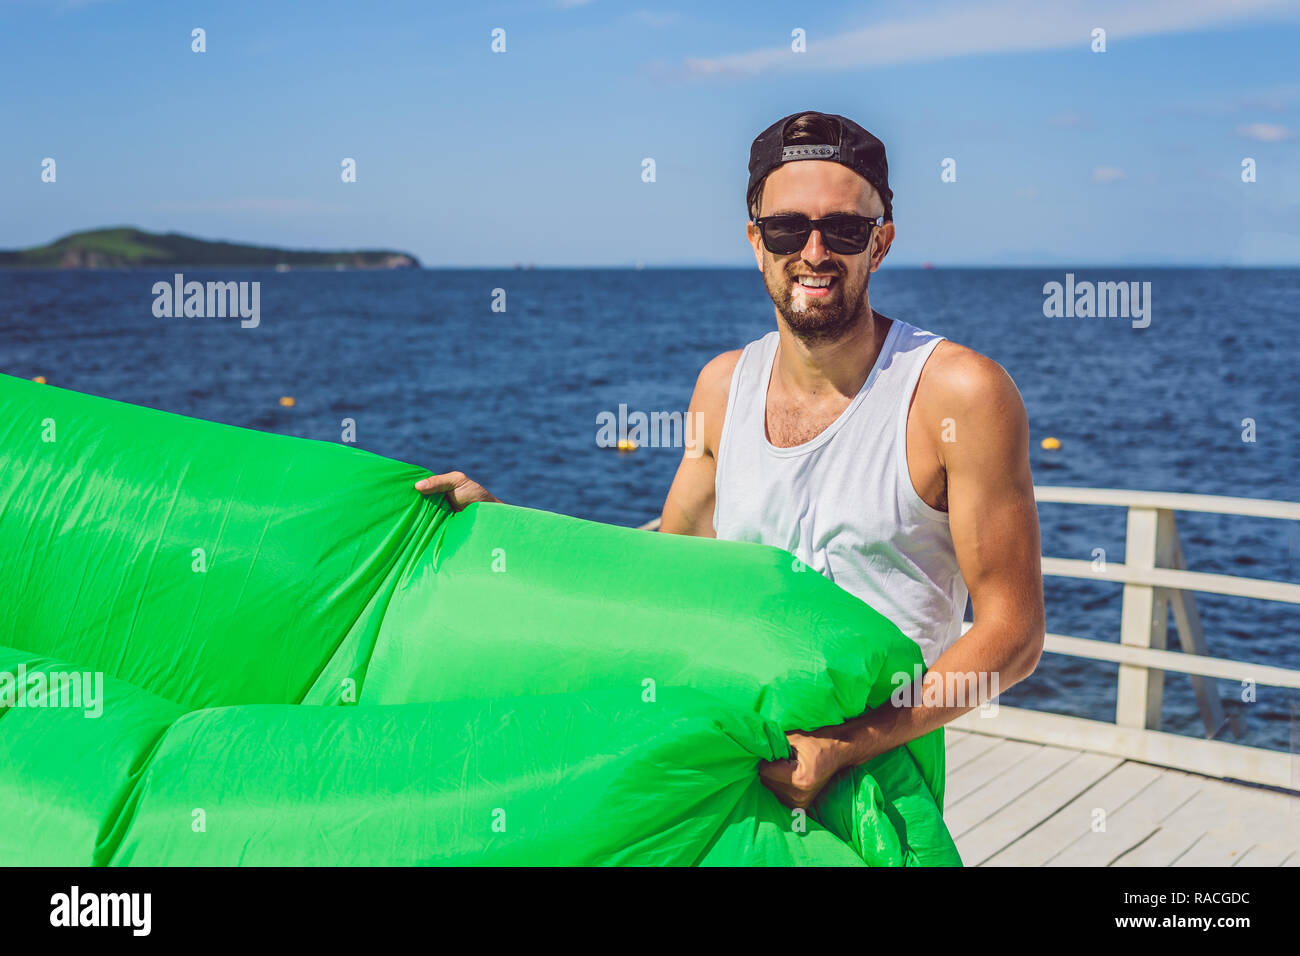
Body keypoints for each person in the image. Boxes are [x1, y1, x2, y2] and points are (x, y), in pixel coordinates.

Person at [416, 110, 1045, 812]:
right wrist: (510, 530)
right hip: (732, 761)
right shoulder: (722, 389)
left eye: (843, 229)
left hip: (875, 782)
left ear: (881, 243)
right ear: (755, 240)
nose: (814, 252)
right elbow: (668, 567)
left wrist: (851, 742)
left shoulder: (957, 394)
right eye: (786, 228)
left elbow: (1012, 632)